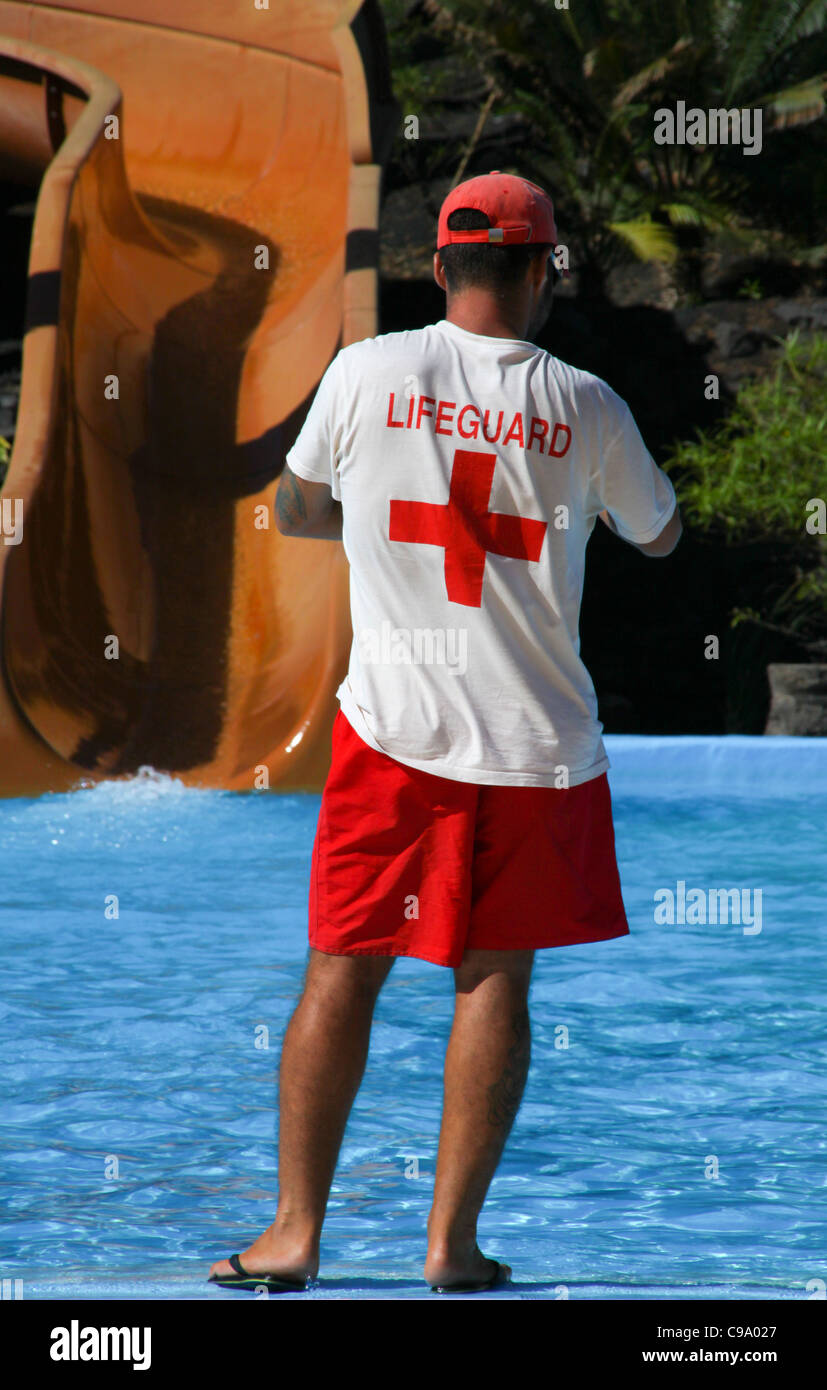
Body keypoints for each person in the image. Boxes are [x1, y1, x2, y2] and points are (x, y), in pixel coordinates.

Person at [208, 171, 682, 1296]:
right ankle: (447, 1249)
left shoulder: (368, 372)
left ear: (438, 267)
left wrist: (375, 518)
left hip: (394, 734)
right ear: (540, 271)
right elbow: (657, 537)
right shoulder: (586, 403)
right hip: (538, 742)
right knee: (492, 984)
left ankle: (291, 1236)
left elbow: (297, 505)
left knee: (342, 971)